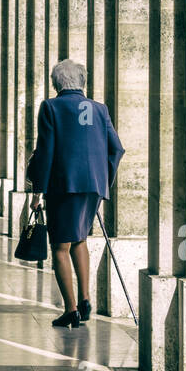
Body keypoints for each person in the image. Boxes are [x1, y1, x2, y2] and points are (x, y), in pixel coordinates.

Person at [25, 59, 124, 328]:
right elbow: (116, 149)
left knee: (59, 246)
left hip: (63, 185)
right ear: (82, 81)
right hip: (92, 185)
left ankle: (70, 309)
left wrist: (38, 192)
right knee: (79, 239)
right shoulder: (100, 109)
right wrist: (103, 180)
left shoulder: (51, 107)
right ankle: (85, 297)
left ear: (56, 83)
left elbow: (45, 152)